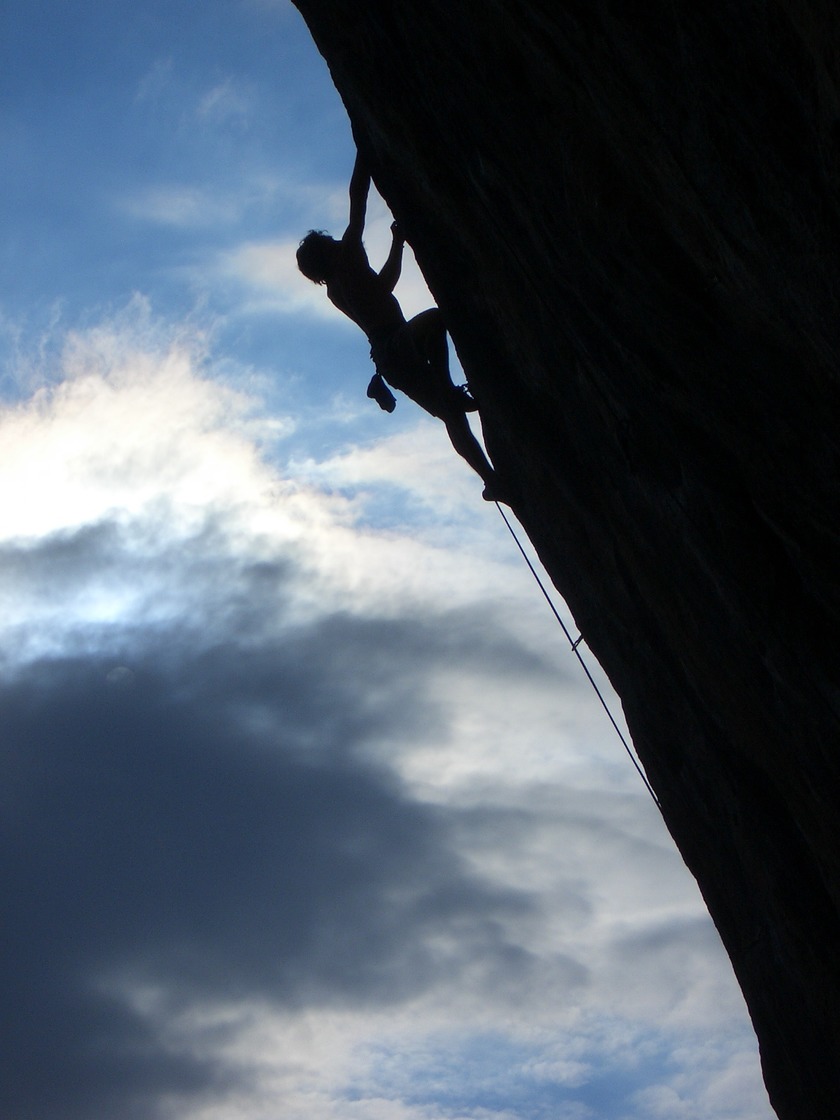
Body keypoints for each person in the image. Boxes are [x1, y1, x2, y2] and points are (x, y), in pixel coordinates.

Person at [297, 154, 504, 501]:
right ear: (327, 254)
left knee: (450, 413)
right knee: (438, 320)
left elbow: (384, 286)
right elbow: (357, 206)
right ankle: (449, 388)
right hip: (396, 344)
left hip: (390, 358)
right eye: (329, 243)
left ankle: (490, 479)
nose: (337, 241)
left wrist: (398, 243)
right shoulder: (346, 261)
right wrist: (363, 154)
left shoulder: (339, 287)